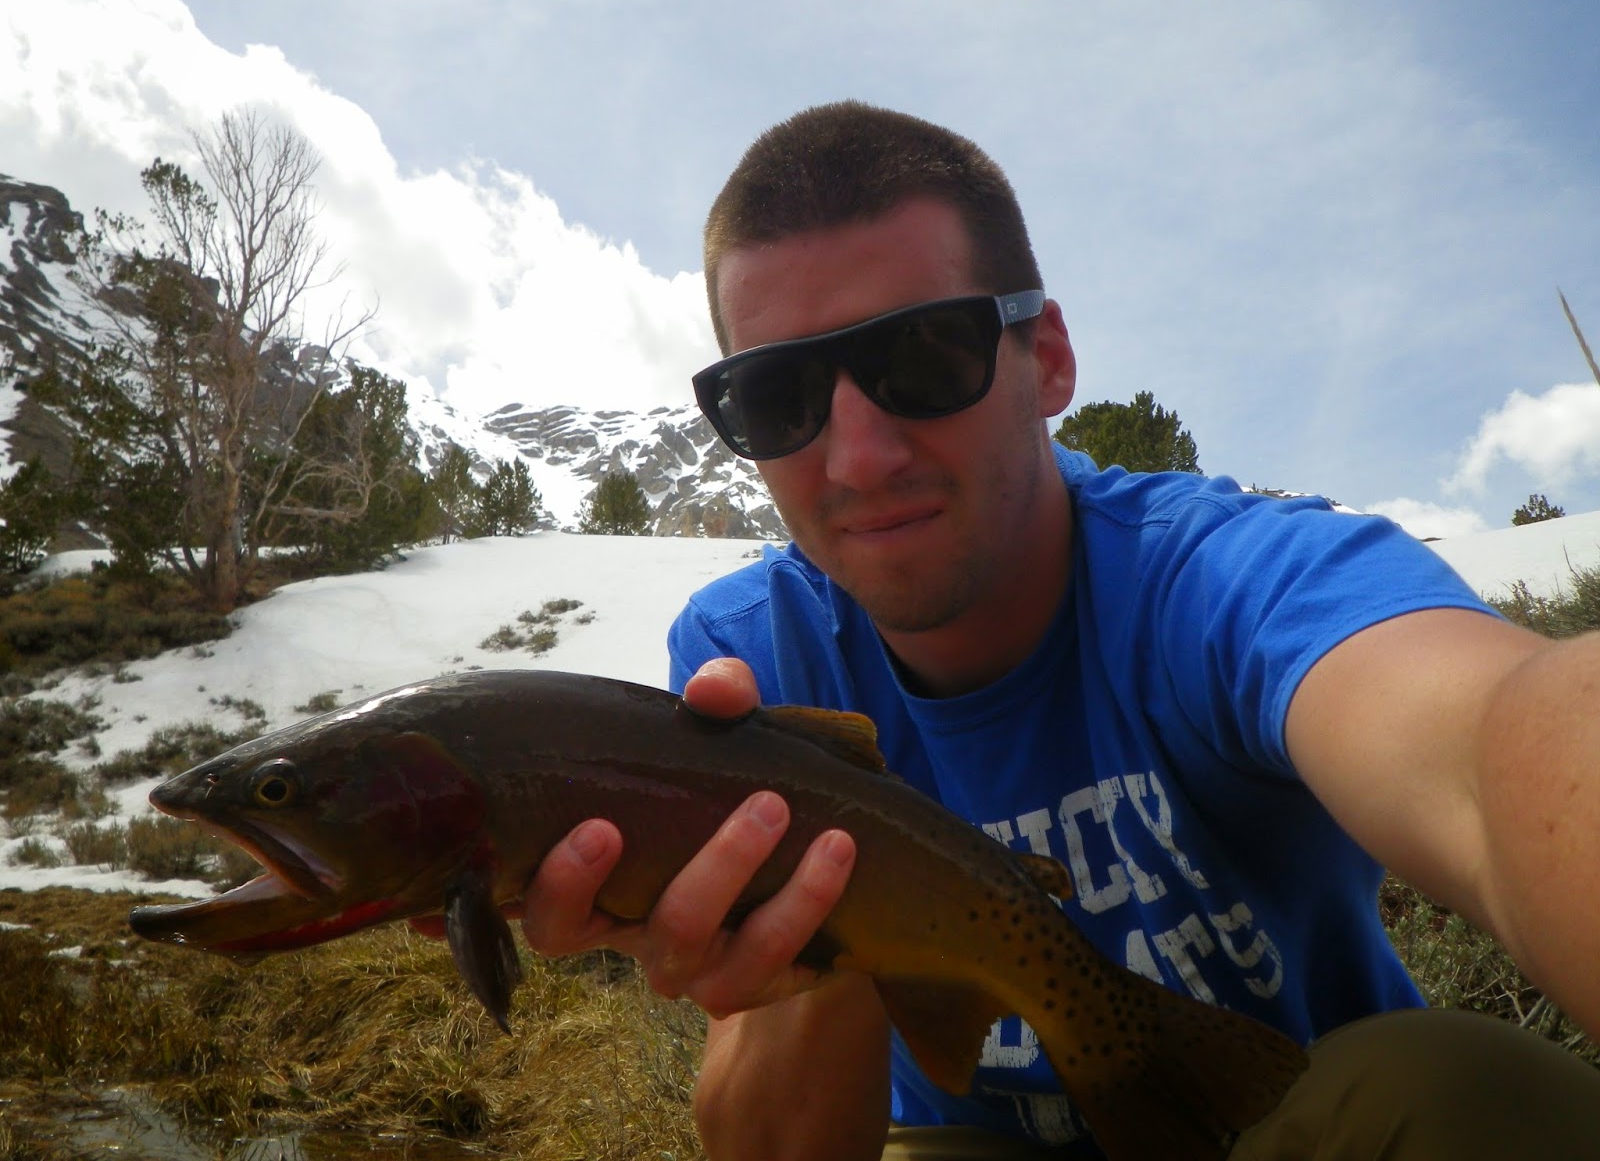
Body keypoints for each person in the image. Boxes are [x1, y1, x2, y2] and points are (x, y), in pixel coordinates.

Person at [516, 102, 1600, 1158]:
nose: (856, 457)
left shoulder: (1221, 579)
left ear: (1049, 359)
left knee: (1462, 1094)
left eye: (925, 358)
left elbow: (1497, 745)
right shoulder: (751, 659)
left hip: (1283, 1124)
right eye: (775, 395)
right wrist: (803, 940)